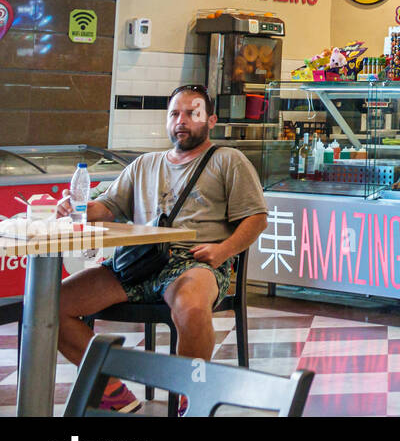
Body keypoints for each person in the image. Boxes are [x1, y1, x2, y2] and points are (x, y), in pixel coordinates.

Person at [56, 85, 268, 413]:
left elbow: (256, 219)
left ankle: (192, 397)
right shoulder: (144, 164)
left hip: (194, 261)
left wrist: (224, 251)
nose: (181, 121)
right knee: (51, 305)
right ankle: (109, 388)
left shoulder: (228, 161)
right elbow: (107, 206)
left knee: (191, 309)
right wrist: (77, 208)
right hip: (138, 261)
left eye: (191, 113)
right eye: (174, 114)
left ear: (210, 120)